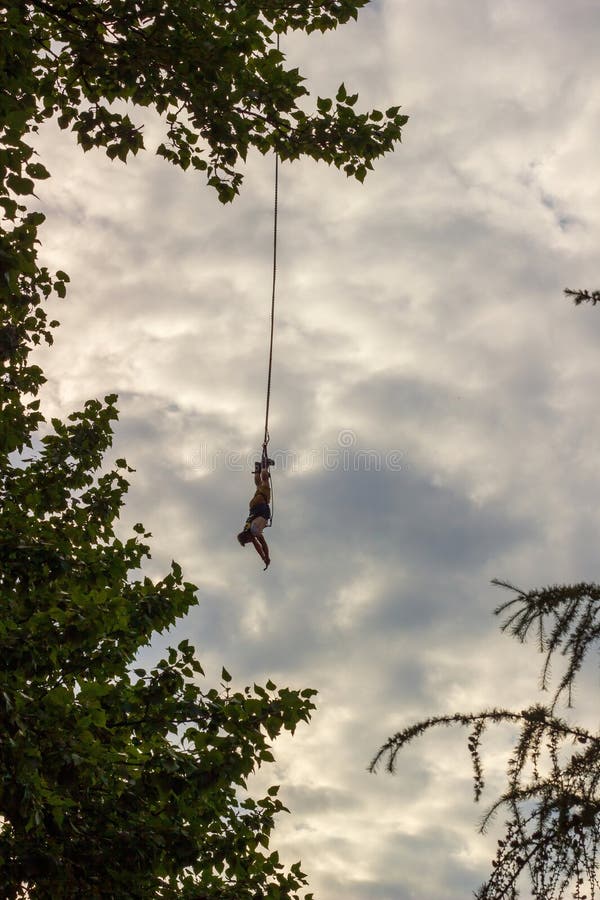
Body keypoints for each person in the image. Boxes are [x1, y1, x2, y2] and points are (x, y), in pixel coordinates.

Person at [237, 451, 272, 569]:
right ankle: (257, 468)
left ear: (247, 537)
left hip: (261, 503)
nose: (250, 542)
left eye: (248, 541)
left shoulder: (254, 532)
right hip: (253, 505)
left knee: (265, 483)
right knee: (259, 486)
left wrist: (265, 558)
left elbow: (261, 546)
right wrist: (265, 557)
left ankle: (264, 466)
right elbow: (260, 544)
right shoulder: (248, 528)